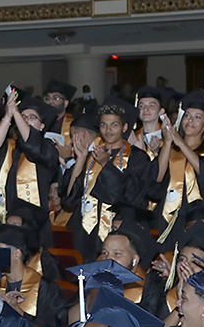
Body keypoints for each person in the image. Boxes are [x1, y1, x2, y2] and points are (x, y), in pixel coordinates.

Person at [63, 100, 151, 262]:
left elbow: (134, 198)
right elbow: (70, 199)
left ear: (124, 128)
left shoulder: (138, 158)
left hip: (119, 234)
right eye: (104, 125)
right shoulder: (91, 155)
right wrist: (81, 159)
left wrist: (106, 164)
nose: (108, 130)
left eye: (114, 125)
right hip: (86, 232)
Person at [148, 92, 204, 232]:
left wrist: (181, 143)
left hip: (200, 218)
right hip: (169, 217)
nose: (190, 120)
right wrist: (167, 143)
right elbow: (157, 178)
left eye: (197, 117)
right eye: (187, 115)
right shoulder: (171, 148)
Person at [0, 93, 60, 225]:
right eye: (24, 117)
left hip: (36, 219)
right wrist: (8, 116)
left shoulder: (48, 147)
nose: (26, 120)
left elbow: (32, 144)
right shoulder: (11, 146)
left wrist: (17, 113)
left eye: (32, 117)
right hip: (8, 214)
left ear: (42, 126)